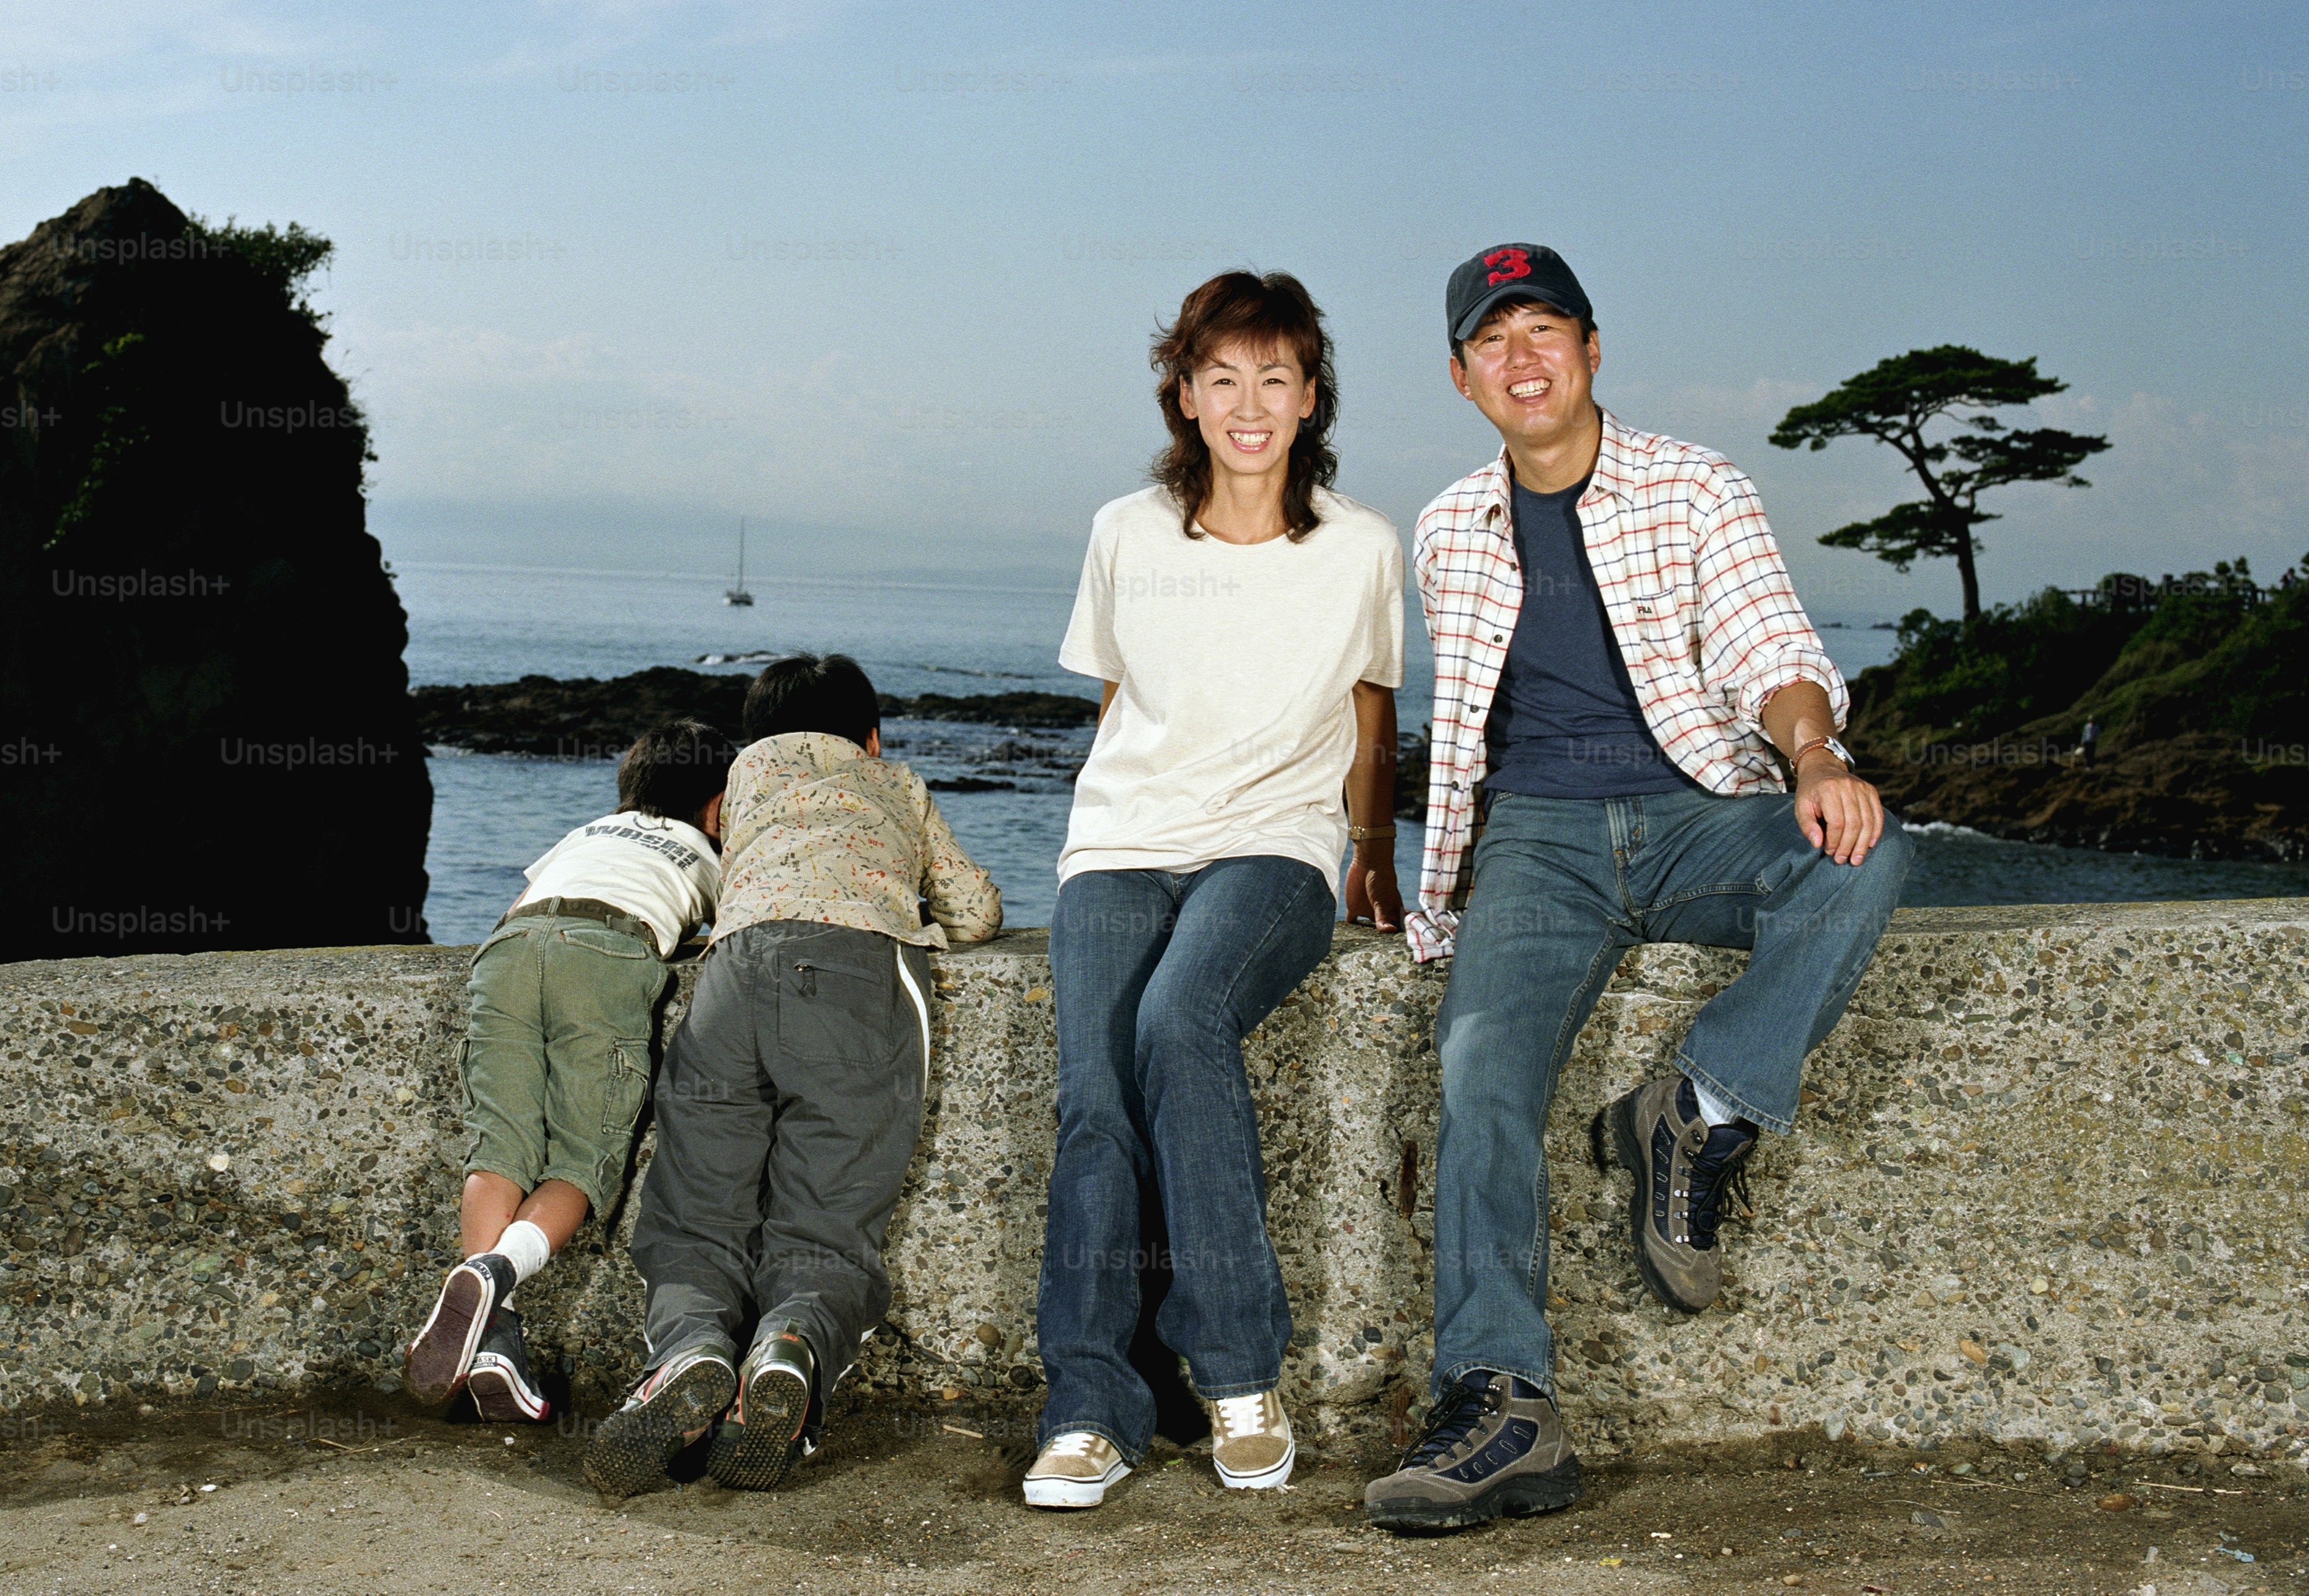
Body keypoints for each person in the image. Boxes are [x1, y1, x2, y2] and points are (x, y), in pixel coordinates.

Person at [1363, 243, 1907, 1533]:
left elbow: (1768, 642)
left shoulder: (1694, 487)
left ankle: (1700, 1102)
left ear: (1591, 349)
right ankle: (1502, 1406)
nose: (1520, 359)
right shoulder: (1448, 529)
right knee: (1478, 1074)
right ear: (1459, 378)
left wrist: (1815, 758)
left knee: (1866, 854)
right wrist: (1368, 856)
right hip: (1536, 845)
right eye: (1491, 342)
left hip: (1695, 810)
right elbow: (1445, 727)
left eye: (1542, 330)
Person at [1024, 271, 1405, 1511]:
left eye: (1274, 378)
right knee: (1094, 1100)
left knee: (1179, 1022)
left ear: (1308, 399)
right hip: (1121, 844)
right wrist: (1116, 830)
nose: (1248, 404)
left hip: (1275, 848)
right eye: (1222, 378)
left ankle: (1239, 1371)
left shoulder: (1359, 548)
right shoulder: (1123, 530)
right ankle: (1088, 1404)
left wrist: (1372, 853)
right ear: (1184, 395)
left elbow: (1369, 705)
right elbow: (1115, 701)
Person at [585, 653, 1002, 1499]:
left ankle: (692, 1349)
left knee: (695, 1205)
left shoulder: (741, 778)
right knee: (828, 1213)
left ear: (755, 735)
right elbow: (973, 910)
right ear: (872, 733)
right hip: (855, 977)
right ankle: (790, 1344)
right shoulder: (896, 780)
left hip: (735, 977)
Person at [402, 719, 734, 1421]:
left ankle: (496, 1343)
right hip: (607, 955)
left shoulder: (587, 834)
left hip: (514, 949)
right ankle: (492, 1272)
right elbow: (737, 929)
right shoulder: (707, 853)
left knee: (500, 1150)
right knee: (581, 1160)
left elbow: (517, 910)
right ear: (715, 808)